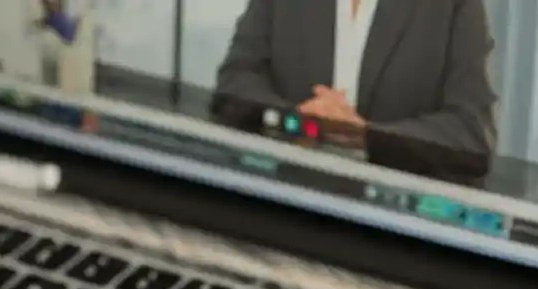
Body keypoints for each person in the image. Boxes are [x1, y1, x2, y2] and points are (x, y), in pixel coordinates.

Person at [212, 0, 499, 182]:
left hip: (391, 228)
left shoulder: (454, 5)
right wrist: (299, 122)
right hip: (281, 200)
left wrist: (366, 136)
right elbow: (234, 84)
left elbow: (470, 133)